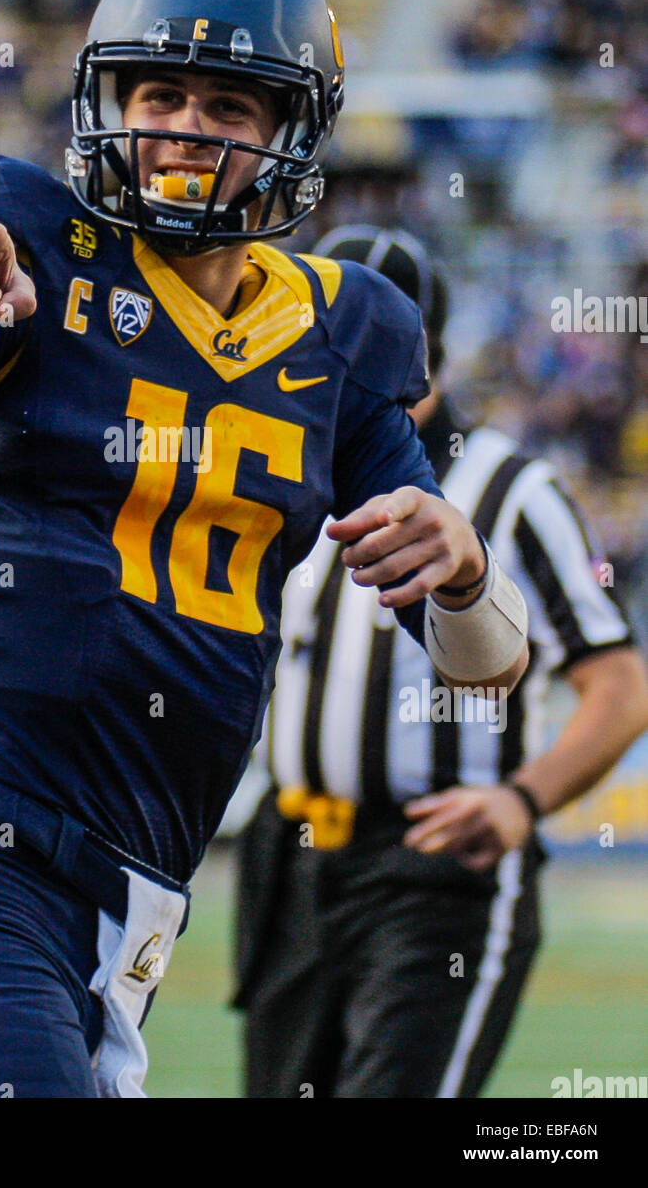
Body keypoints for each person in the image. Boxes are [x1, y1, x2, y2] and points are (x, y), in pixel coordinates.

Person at [0, 0, 530, 1099]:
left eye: (226, 103)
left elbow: (485, 667)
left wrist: (460, 573)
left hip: (132, 920)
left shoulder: (339, 333)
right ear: (108, 101)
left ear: (288, 133)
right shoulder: (22, 234)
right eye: (158, 94)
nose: (186, 126)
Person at [232, 226, 648, 1099]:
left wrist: (522, 799)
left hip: (433, 864)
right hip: (295, 854)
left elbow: (619, 683)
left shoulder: (509, 487)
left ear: (429, 360)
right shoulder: (275, 458)